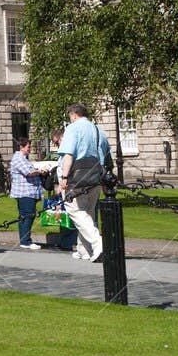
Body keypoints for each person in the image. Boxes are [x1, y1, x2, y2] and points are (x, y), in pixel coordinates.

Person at [58, 103, 112, 262]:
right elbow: (107, 155)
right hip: (95, 176)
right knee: (88, 212)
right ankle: (84, 250)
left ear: (74, 115)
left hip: (76, 176)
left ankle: (98, 244)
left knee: (75, 211)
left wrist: (64, 177)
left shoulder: (72, 128)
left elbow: (68, 155)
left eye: (70, 117)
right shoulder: (98, 130)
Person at [9, 138, 46, 249]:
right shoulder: (18, 158)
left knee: (25, 216)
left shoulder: (24, 159)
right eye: (28, 147)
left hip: (29, 192)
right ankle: (26, 241)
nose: (30, 149)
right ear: (21, 147)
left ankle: (24, 240)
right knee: (28, 216)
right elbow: (29, 173)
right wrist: (41, 171)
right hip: (25, 193)